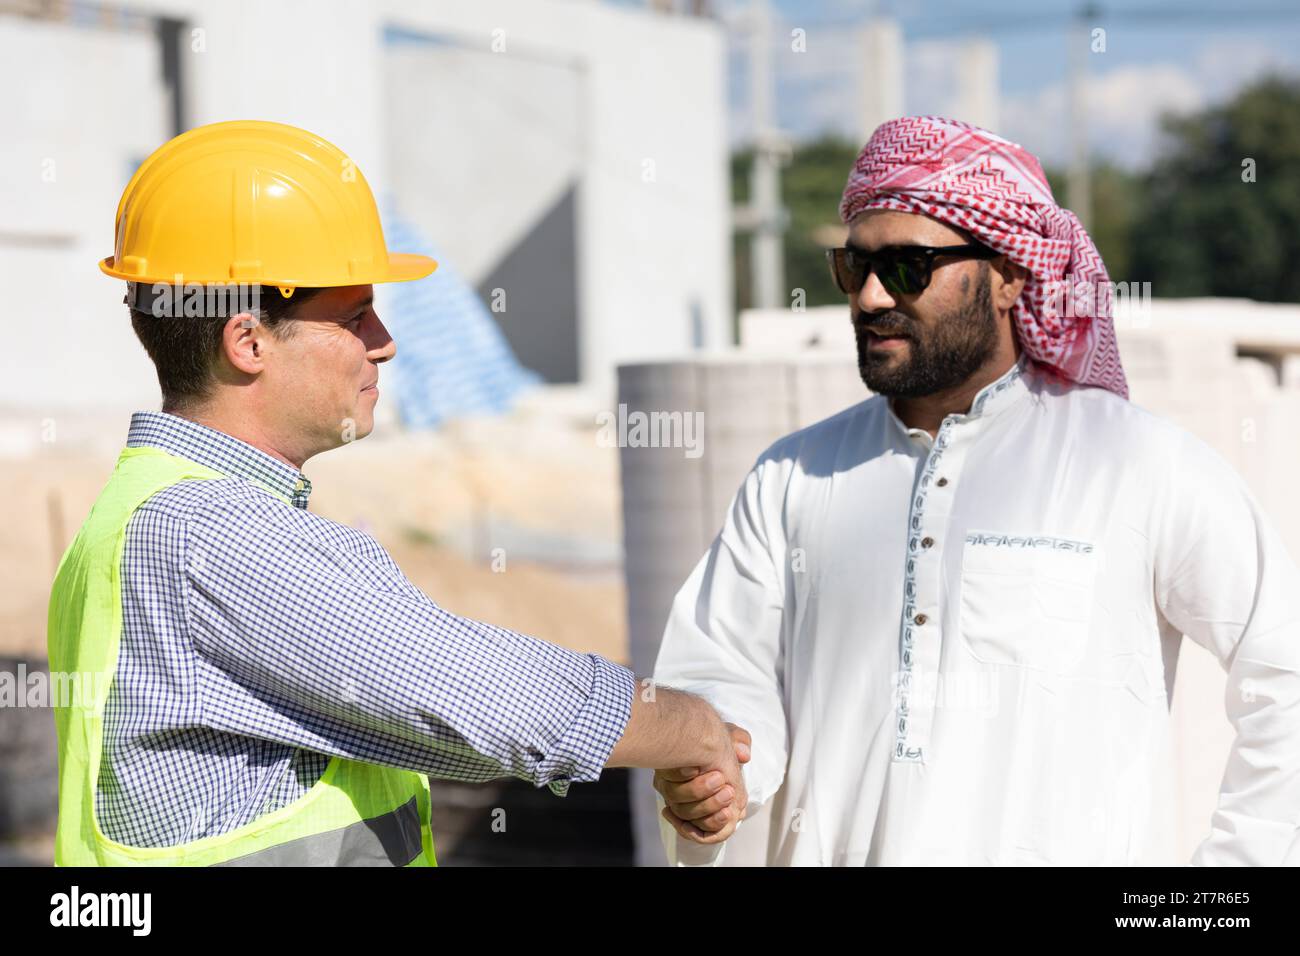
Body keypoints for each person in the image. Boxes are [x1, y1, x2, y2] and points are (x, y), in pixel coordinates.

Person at [47, 119, 745, 866]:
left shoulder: (145, 511)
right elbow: (488, 701)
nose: (385, 340)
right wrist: (690, 728)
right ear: (248, 342)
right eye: (354, 316)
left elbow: (421, 721)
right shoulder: (215, 534)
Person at [652, 115, 1300, 866]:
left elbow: (1284, 669)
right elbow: (718, 675)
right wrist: (715, 783)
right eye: (851, 267)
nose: (867, 298)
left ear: (1009, 274)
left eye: (906, 268)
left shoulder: (1137, 464)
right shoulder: (792, 476)